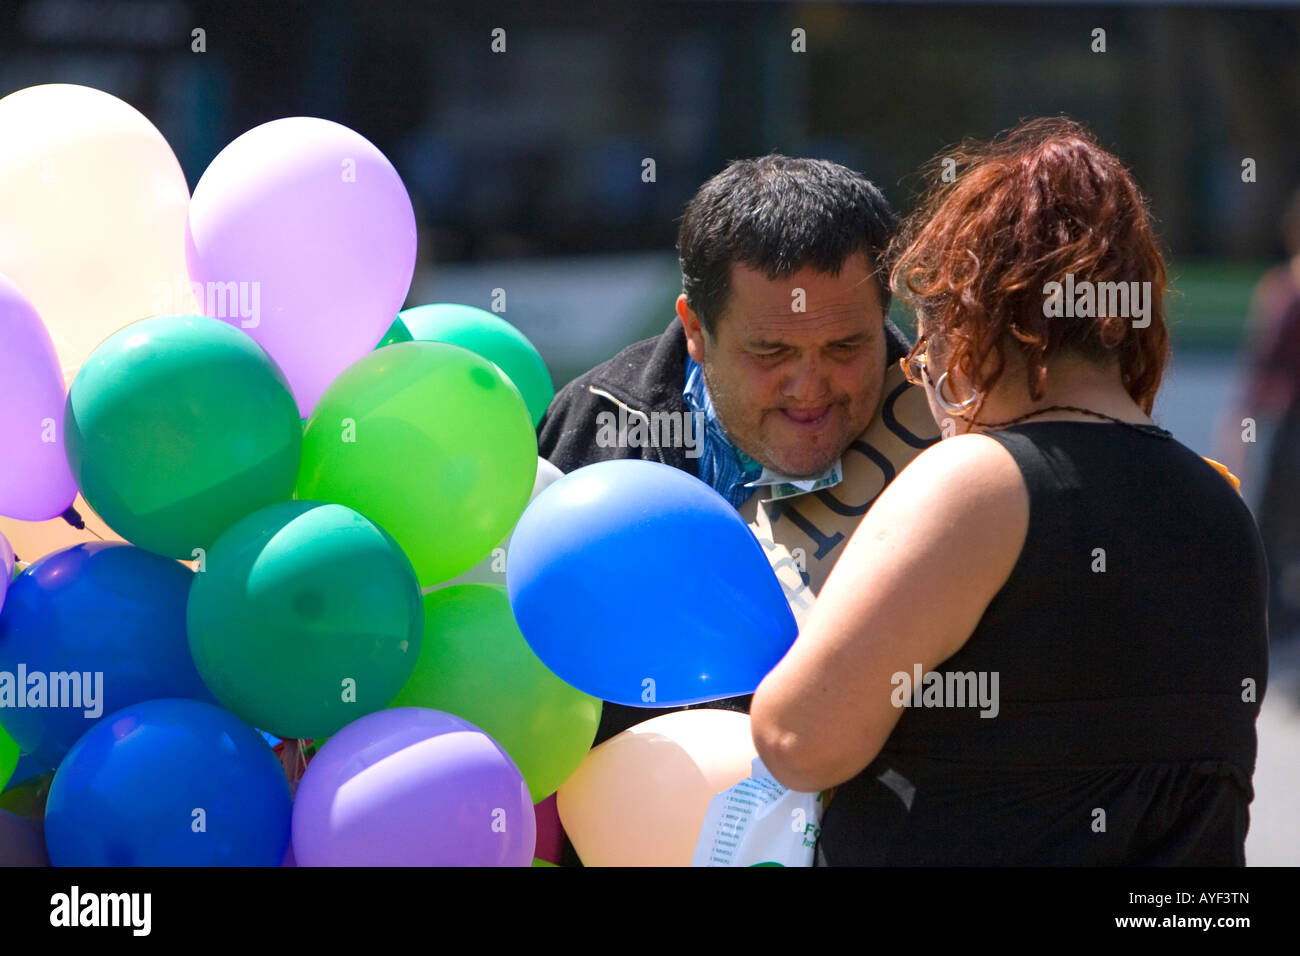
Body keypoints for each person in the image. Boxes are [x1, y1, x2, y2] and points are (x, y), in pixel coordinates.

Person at [750, 118, 1270, 865]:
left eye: (926, 341)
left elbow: (798, 741)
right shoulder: (1220, 506)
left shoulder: (977, 485)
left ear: (974, 320)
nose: (921, 371)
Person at [537, 154, 939, 749]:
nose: (810, 387)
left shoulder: (952, 447)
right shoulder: (597, 421)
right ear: (696, 330)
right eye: (772, 352)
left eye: (845, 345)